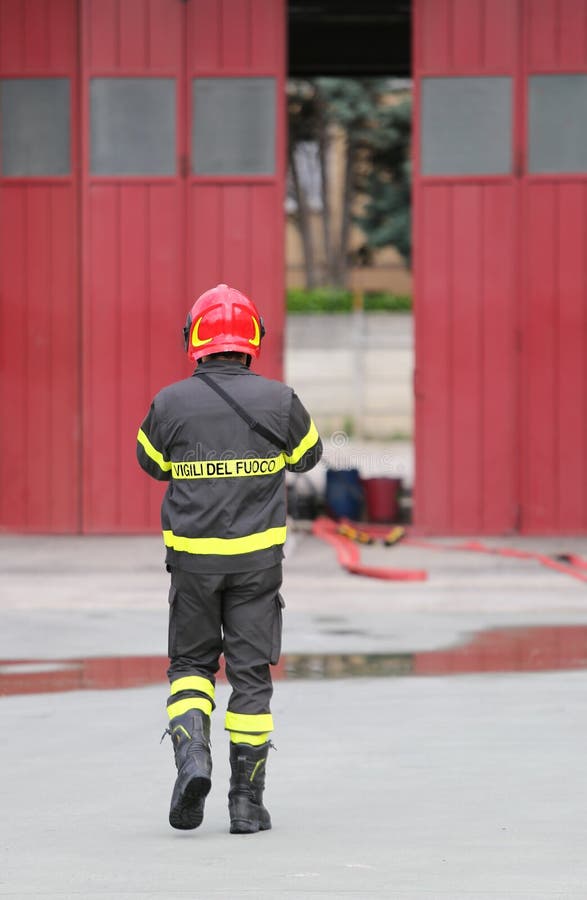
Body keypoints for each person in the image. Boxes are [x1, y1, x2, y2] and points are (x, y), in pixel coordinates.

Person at [136, 283, 322, 835]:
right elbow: (308, 455)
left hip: (192, 565)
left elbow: (150, 462)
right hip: (257, 566)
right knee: (250, 678)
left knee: (191, 668)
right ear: (253, 339)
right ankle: (246, 803)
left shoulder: (169, 402)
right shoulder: (280, 399)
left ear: (194, 338)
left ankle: (193, 760)